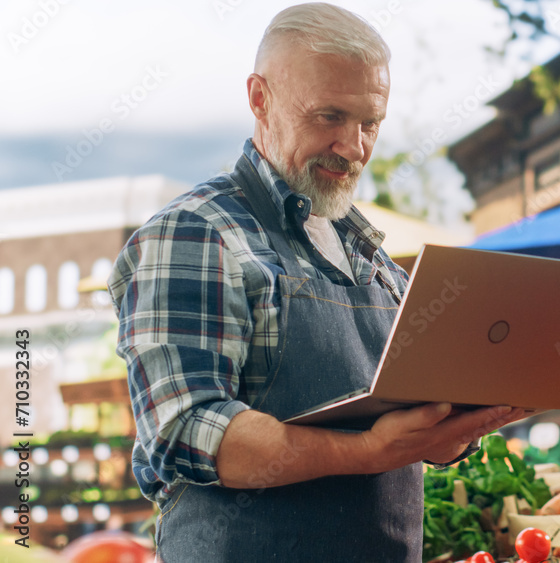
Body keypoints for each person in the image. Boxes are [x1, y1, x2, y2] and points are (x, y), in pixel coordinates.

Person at [108, 4, 523, 561]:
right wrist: (369, 452)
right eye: (329, 116)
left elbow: (409, 414)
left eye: (370, 123)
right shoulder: (195, 235)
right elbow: (188, 430)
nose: (353, 147)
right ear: (260, 98)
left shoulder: (370, 253)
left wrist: (453, 428)